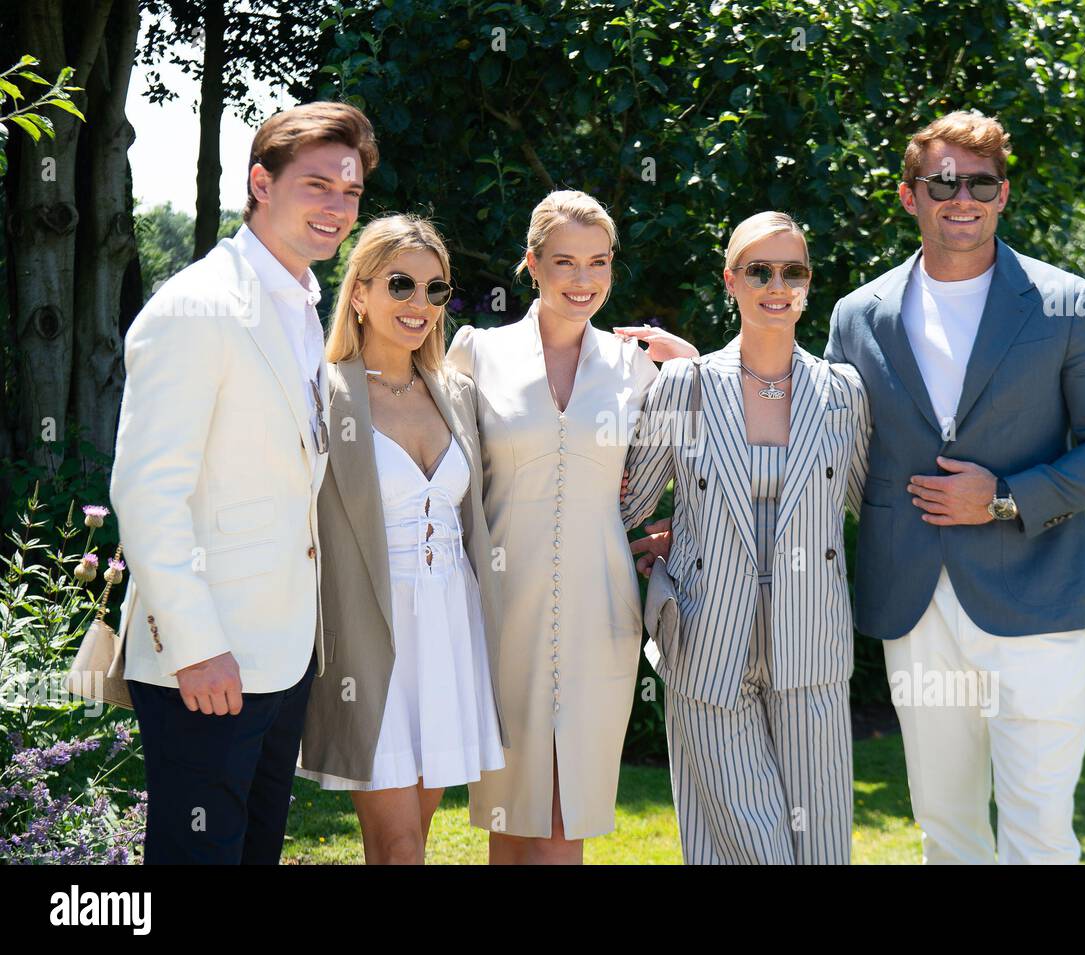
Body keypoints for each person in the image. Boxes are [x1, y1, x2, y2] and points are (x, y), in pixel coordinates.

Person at [825, 110, 1085, 864]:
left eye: (980, 182)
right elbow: (826, 445)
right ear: (910, 195)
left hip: (1036, 599)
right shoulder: (858, 315)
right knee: (947, 830)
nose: (961, 197)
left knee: (1038, 831)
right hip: (912, 601)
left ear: (1003, 194)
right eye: (943, 181)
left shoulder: (1067, 303)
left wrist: (1004, 496)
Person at [111, 102, 378, 864]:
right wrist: (196, 647)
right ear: (261, 183)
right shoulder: (198, 306)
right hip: (209, 661)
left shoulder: (300, 306)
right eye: (317, 184)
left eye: (350, 192)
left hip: (280, 656)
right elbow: (147, 490)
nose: (336, 207)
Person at [444, 189, 697, 864]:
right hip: (500, 605)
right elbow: (438, 475)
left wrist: (694, 364)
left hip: (601, 605)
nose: (583, 279)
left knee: (567, 812)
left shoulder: (637, 368)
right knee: (510, 813)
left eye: (598, 261)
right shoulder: (476, 352)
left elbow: (706, 460)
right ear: (531, 263)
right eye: (564, 261)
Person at [622, 211, 869, 864]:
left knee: (818, 850)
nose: (776, 283)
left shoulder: (842, 392)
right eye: (759, 269)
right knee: (750, 845)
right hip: (708, 639)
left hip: (810, 645)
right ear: (730, 280)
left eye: (793, 270)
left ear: (809, 282)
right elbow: (624, 503)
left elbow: (878, 504)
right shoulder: (687, 386)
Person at [295, 215, 506, 864]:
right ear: (358, 292)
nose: (420, 304)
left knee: (415, 835)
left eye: (435, 290)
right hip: (369, 640)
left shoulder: (457, 393)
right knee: (394, 843)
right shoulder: (325, 393)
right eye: (401, 284)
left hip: (453, 625)